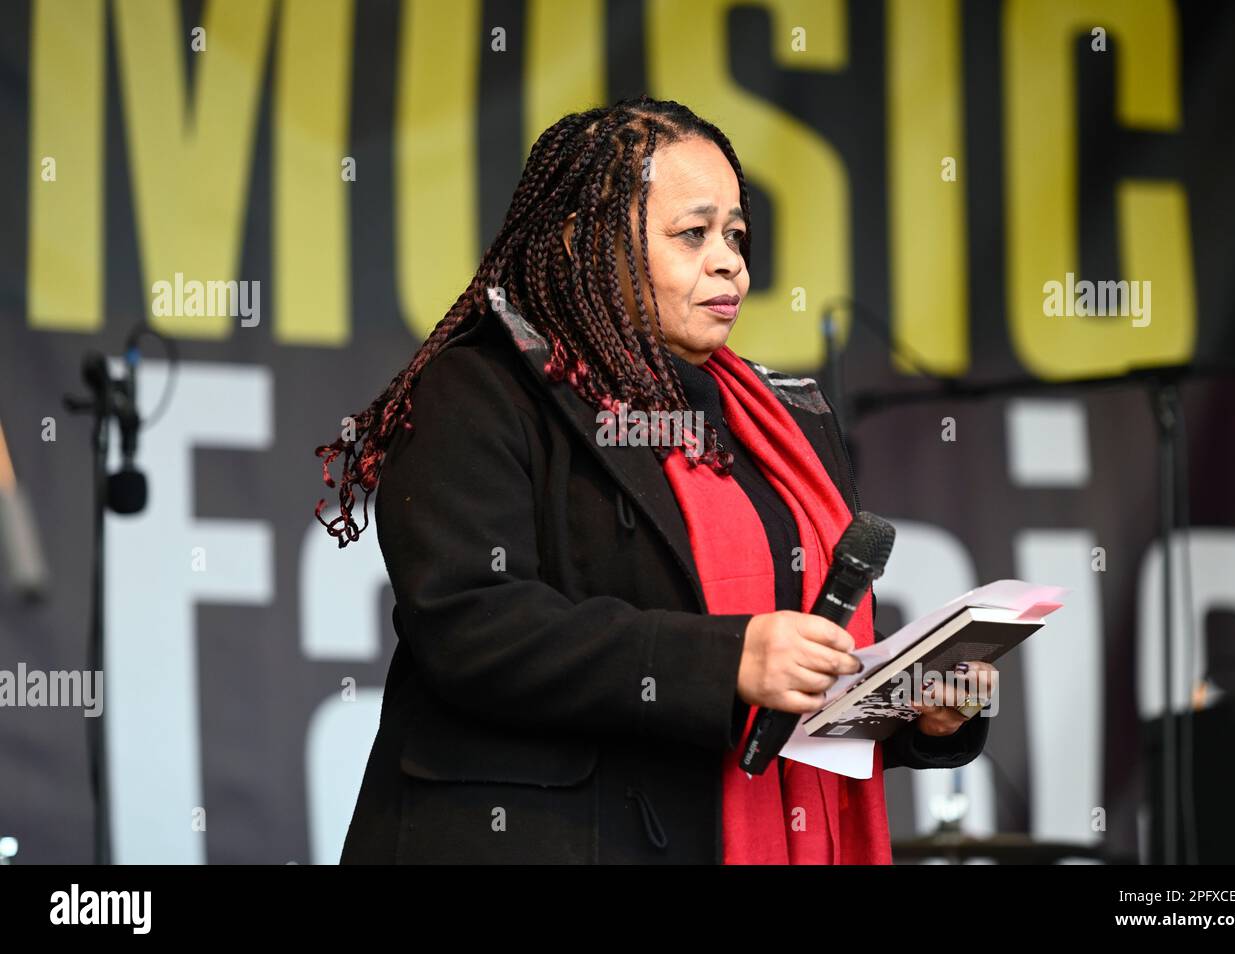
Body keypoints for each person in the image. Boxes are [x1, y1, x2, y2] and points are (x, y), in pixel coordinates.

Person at [317, 95, 996, 864]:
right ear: (585, 241)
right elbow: (473, 628)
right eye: (693, 233)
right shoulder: (479, 391)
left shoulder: (783, 422)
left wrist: (914, 712)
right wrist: (728, 660)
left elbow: (792, 685)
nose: (729, 260)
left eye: (736, 234)